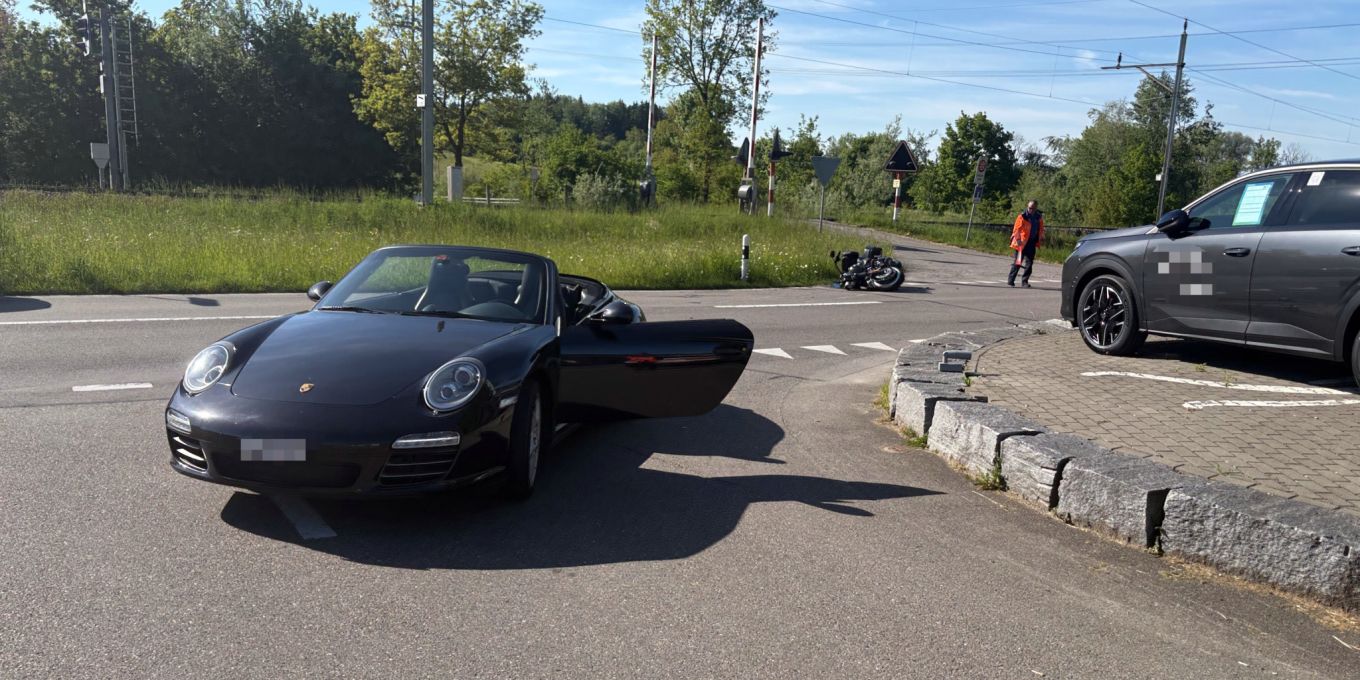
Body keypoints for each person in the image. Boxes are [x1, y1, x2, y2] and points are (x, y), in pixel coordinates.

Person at [1008, 200, 1045, 288]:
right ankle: (1011, 280)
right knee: (1018, 262)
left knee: (1029, 263)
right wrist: (1018, 239)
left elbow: (1041, 229)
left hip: (1031, 243)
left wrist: (1041, 237)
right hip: (1021, 243)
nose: (1030, 210)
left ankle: (1025, 282)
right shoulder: (1022, 216)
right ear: (1027, 207)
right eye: (1029, 208)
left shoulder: (1038, 218)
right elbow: (1016, 229)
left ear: (1036, 208)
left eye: (1033, 208)